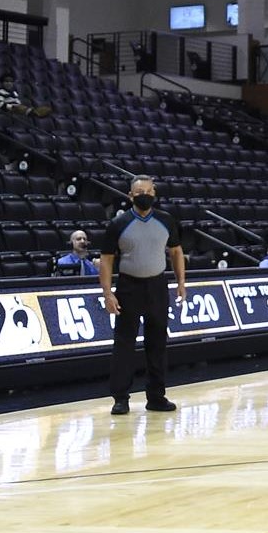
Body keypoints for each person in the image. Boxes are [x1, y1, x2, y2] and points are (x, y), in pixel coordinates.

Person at [101, 175, 188, 416]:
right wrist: (108, 293)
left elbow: (176, 251)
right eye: (140, 191)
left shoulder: (166, 220)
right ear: (130, 195)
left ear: (155, 194)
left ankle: (156, 396)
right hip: (129, 287)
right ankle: (120, 398)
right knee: (124, 344)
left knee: (158, 343)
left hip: (158, 286)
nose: (145, 195)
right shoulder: (118, 223)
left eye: (149, 191)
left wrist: (181, 281)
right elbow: (106, 261)